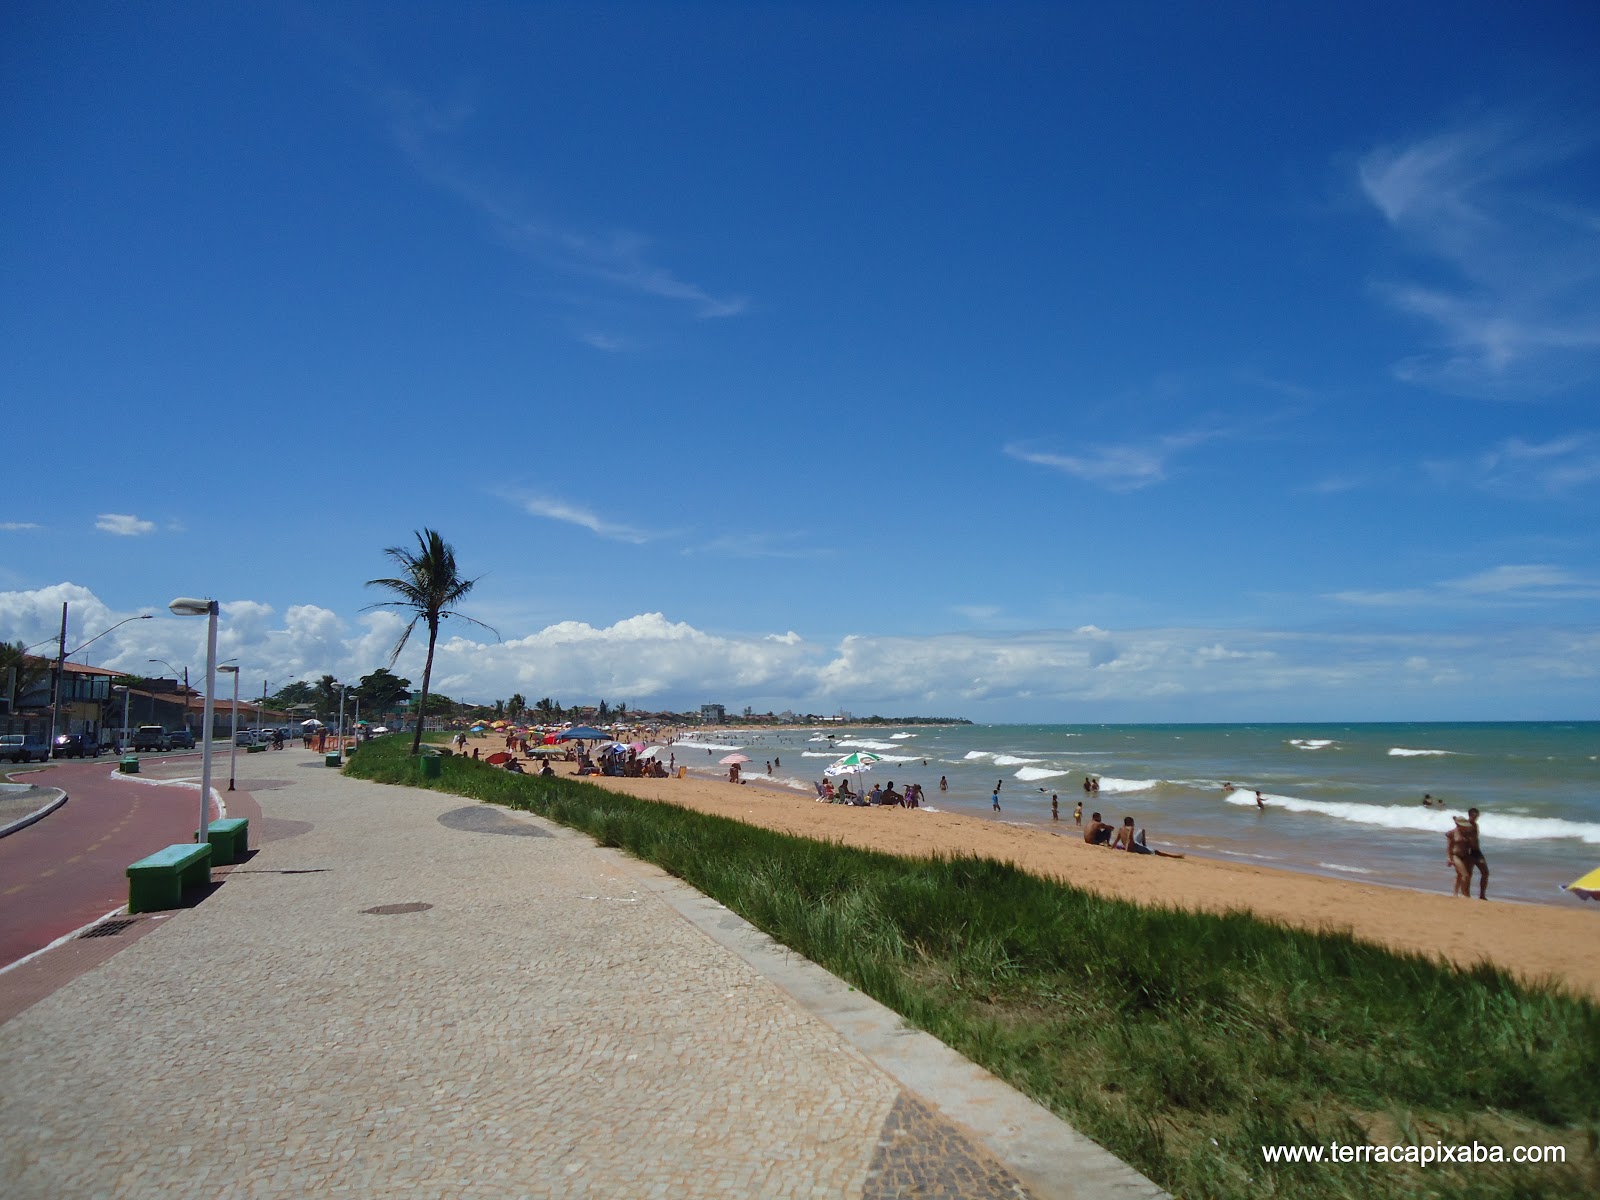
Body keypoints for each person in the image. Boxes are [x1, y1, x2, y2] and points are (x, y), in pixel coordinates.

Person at [1449, 808, 1490, 899]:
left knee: (1485, 873)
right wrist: (1451, 856)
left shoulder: (1475, 825)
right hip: (1468, 853)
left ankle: (1482, 895)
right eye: (1474, 817)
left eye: (1477, 817)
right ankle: (1466, 894)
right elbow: (1457, 836)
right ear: (1470, 816)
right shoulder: (1465, 826)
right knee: (1467, 875)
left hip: (1477, 852)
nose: (1475, 819)